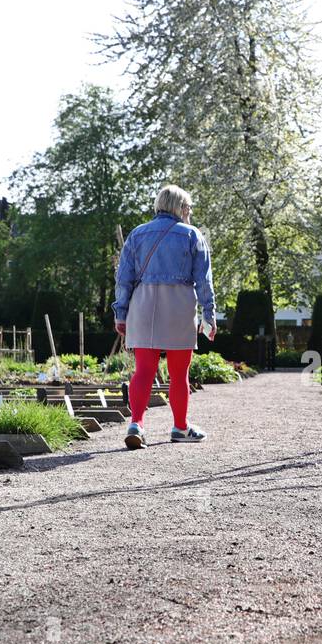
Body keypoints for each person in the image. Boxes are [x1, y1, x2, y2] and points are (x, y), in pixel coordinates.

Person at [113, 184, 217, 449]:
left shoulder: (137, 234)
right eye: (189, 207)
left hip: (143, 304)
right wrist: (209, 314)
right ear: (181, 208)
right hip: (179, 305)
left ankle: (136, 424)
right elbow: (203, 281)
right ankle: (180, 427)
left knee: (144, 371)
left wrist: (121, 313)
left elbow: (123, 278)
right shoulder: (193, 235)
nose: (190, 212)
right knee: (179, 373)